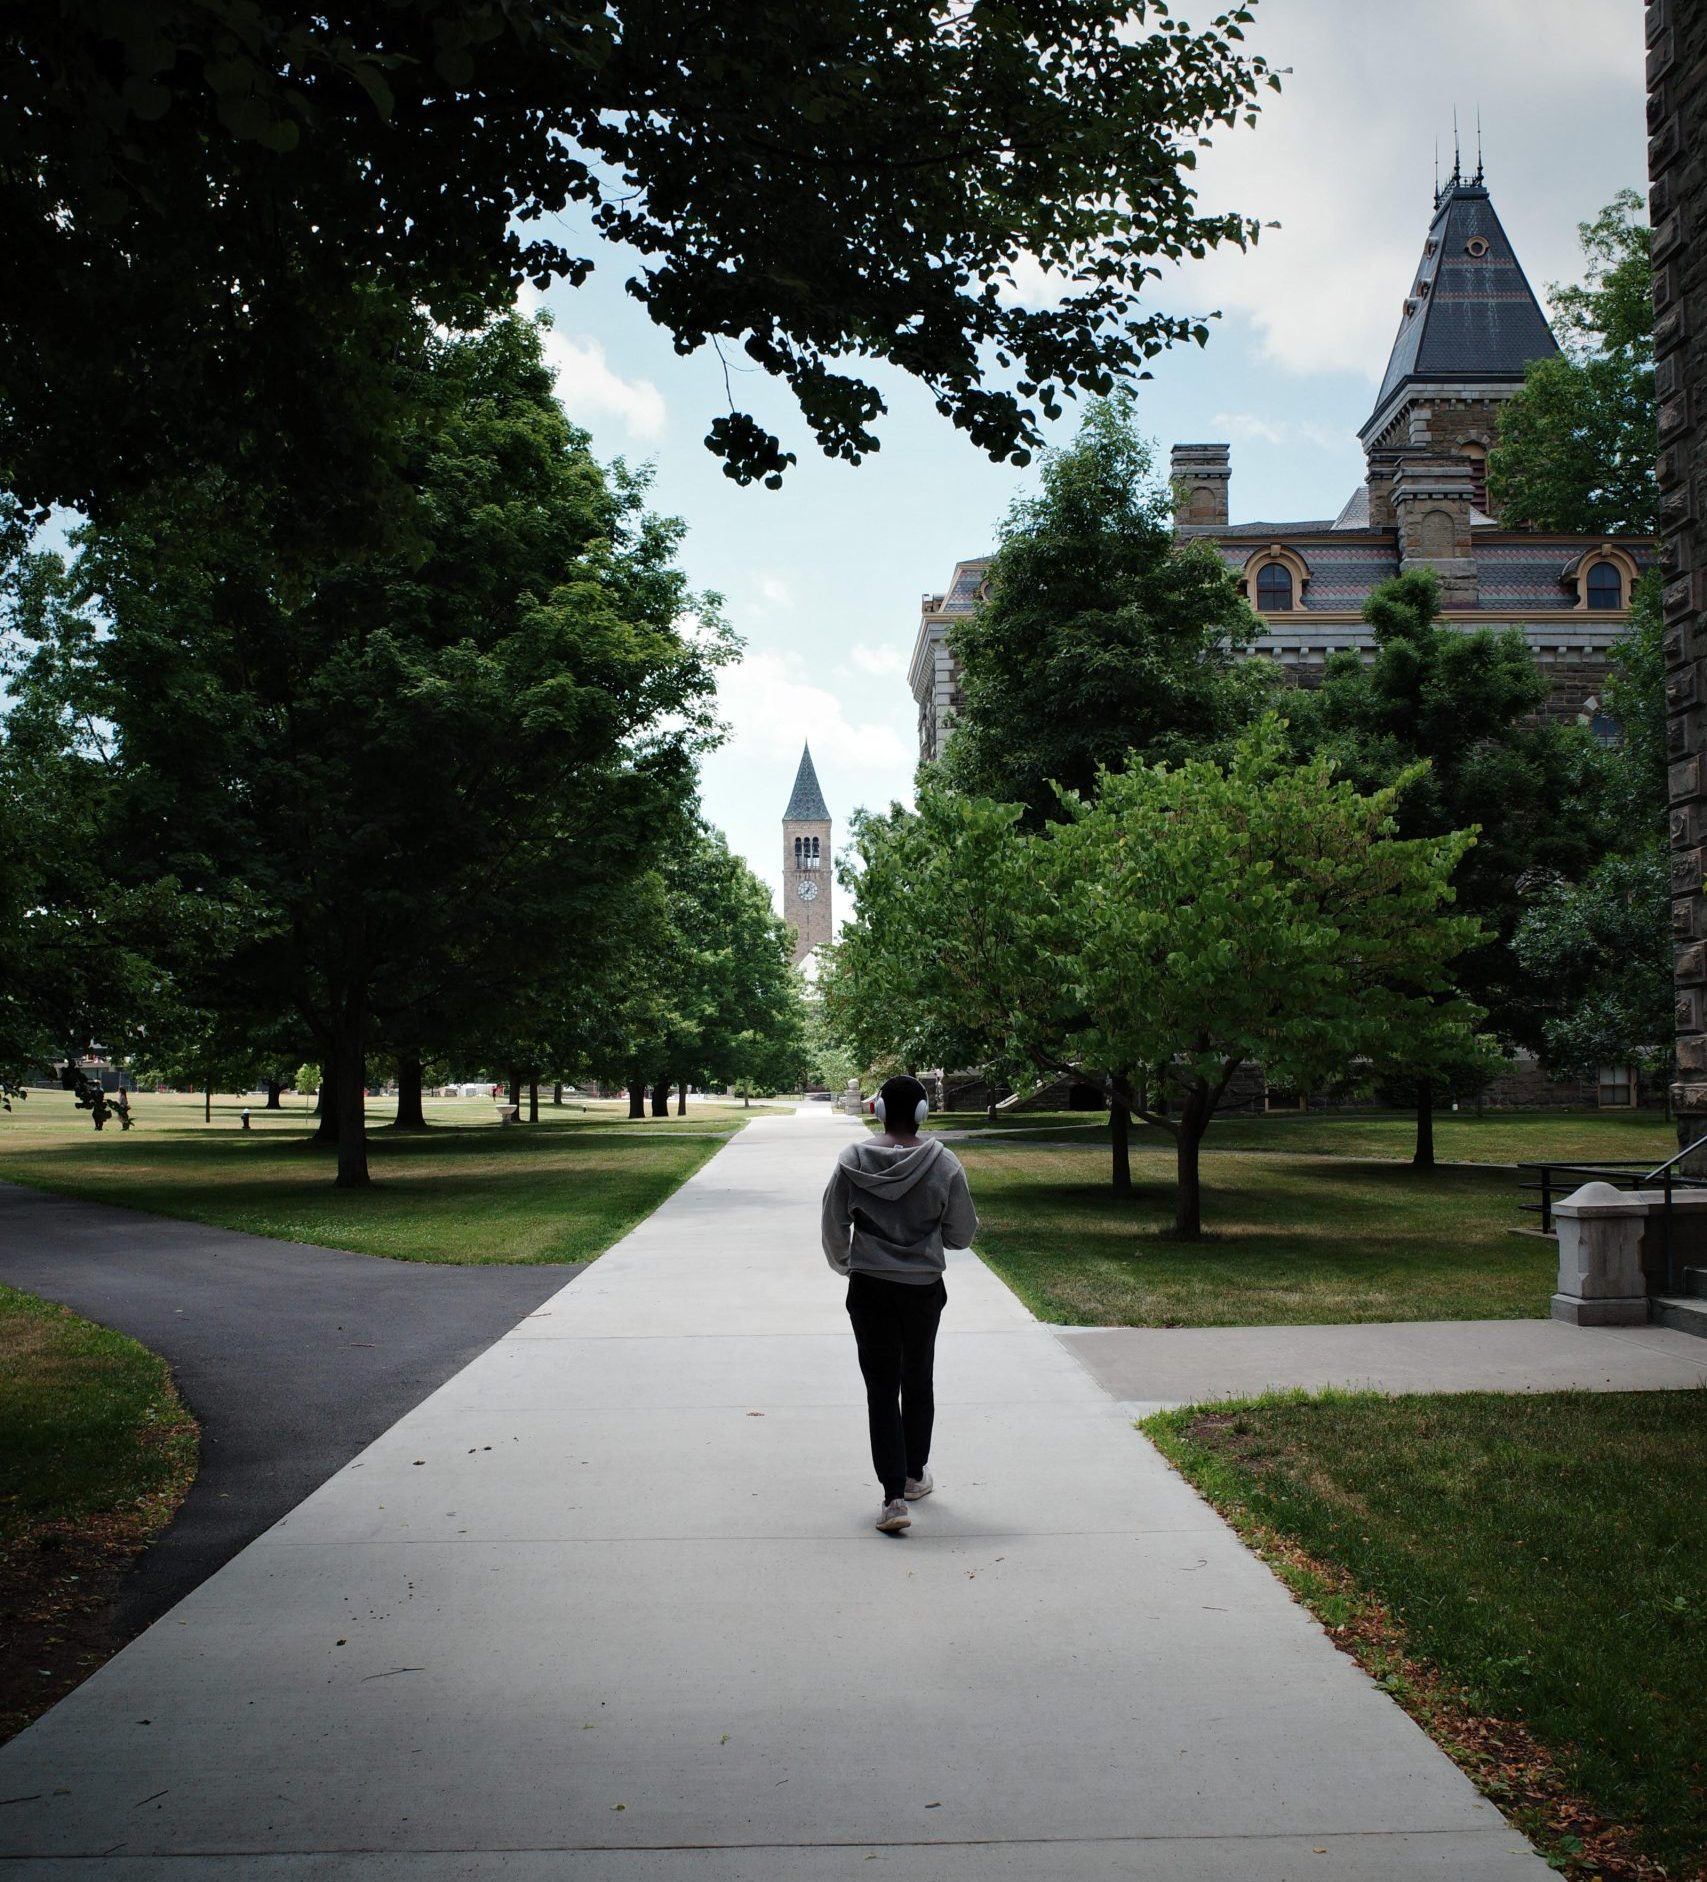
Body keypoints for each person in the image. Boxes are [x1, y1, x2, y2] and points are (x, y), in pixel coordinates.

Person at [821, 1074, 978, 1535]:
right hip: (923, 1288)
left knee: (880, 1386)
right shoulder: (944, 1164)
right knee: (917, 1376)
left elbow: (833, 1225)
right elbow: (962, 1233)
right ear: (924, 1112)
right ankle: (914, 1476)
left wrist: (851, 1265)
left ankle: (892, 1499)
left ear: (879, 1111)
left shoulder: (852, 1161)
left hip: (870, 1287)